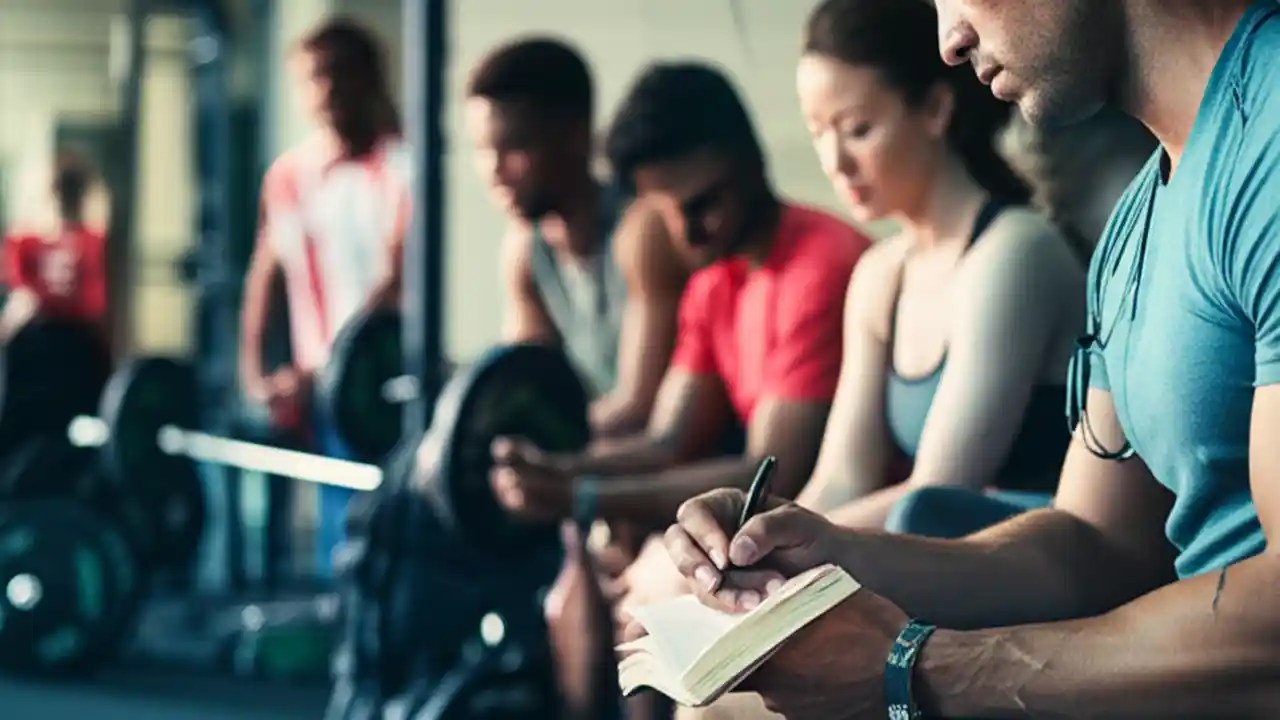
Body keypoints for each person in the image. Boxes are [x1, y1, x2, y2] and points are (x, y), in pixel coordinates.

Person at [657, 0, 1280, 718]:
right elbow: (1094, 542)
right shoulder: (1135, 225)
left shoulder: (1265, 134)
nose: (950, 40)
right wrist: (827, 553)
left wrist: (918, 667)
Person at [490, 60, 871, 552]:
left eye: (703, 204)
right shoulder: (713, 280)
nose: (689, 234)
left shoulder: (818, 268)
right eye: (670, 214)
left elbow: (768, 474)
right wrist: (557, 467)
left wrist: (583, 496)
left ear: (751, 161)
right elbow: (666, 442)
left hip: (852, 538)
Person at [788, 0, 1083, 536]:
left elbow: (941, 493)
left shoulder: (1013, 252)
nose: (835, 162)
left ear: (934, 111)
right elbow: (841, 479)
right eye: (817, 132)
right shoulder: (881, 273)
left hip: (1031, 565)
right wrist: (740, 543)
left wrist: (773, 548)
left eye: (857, 129)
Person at [240, 16, 408, 578]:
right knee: (336, 541)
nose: (327, 90)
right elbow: (266, 274)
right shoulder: (287, 175)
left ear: (368, 79)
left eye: (338, 74)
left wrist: (324, 369)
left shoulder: (404, 168)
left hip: (383, 384)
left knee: (382, 534)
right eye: (313, 78)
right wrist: (254, 372)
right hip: (319, 391)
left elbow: (398, 281)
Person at [466, 37, 691, 440]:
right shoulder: (525, 250)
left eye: (514, 147)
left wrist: (540, 443)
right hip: (590, 456)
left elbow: (637, 409)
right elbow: (530, 390)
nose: (494, 171)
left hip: (657, 465)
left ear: (575, 135)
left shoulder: (642, 230)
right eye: (483, 150)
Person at [2, 151, 109, 343]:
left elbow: (22, 294)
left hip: (47, 337)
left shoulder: (24, 243)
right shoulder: (94, 242)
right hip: (72, 339)